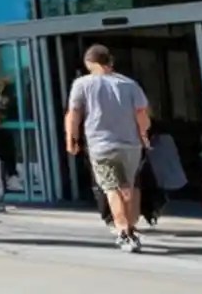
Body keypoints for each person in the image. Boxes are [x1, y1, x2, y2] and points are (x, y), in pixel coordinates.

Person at [65, 44, 151, 253]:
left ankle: (123, 231)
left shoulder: (82, 84)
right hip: (130, 144)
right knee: (128, 187)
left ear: (90, 63)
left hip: (101, 145)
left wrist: (71, 139)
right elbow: (142, 114)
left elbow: (74, 114)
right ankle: (131, 228)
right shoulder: (130, 84)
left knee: (112, 188)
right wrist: (144, 136)